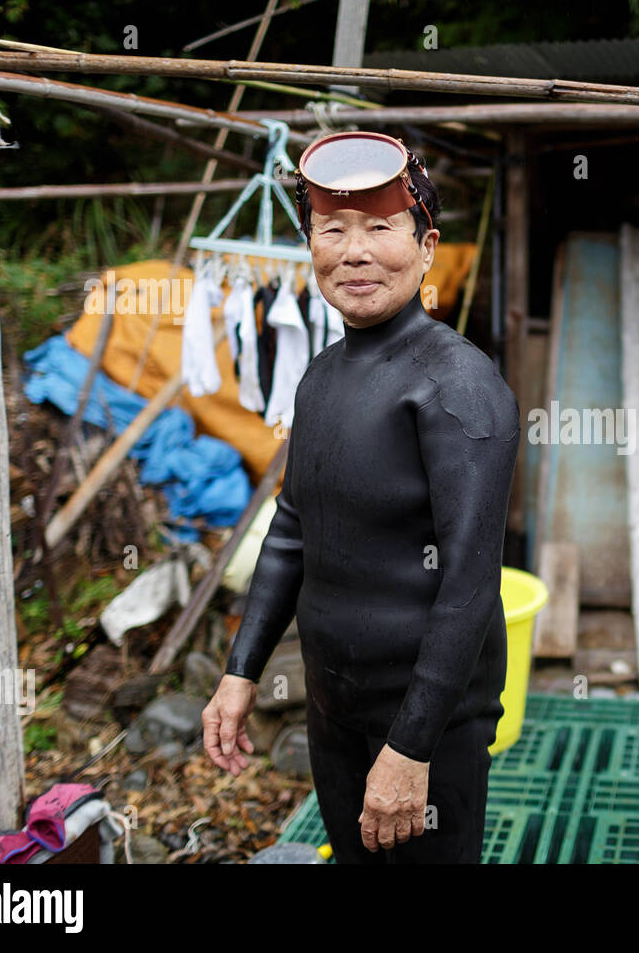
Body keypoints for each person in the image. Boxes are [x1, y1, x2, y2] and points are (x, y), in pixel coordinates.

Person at [202, 132, 520, 864]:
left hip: (429, 720)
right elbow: (289, 530)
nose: (355, 251)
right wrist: (242, 667)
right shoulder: (321, 377)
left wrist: (410, 748)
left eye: (380, 227)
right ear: (310, 244)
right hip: (332, 702)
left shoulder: (458, 388)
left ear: (427, 246)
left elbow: (470, 586)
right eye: (332, 229)